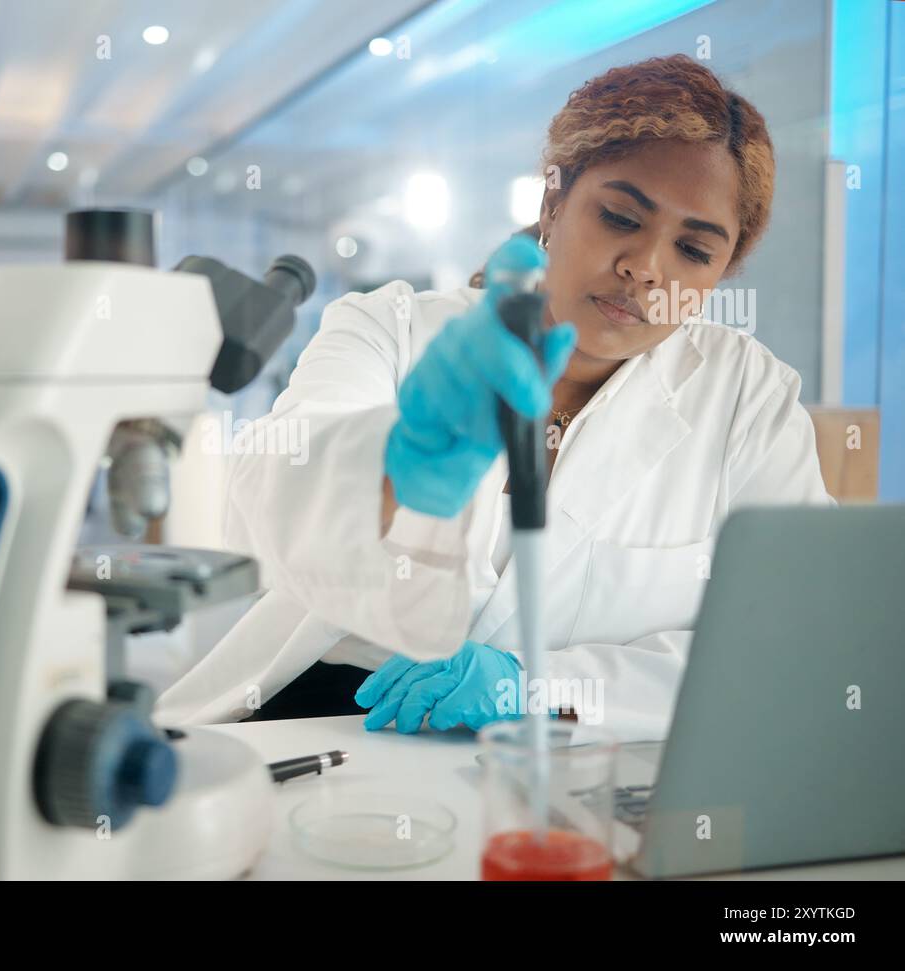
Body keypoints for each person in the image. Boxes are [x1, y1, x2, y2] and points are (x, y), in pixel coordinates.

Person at [155, 55, 833, 742]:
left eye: (694, 249)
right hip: (330, 725)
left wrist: (536, 687)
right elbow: (259, 501)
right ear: (554, 202)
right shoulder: (393, 328)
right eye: (622, 217)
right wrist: (398, 461)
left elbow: (785, 641)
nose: (646, 267)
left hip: (570, 750)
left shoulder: (747, 396)